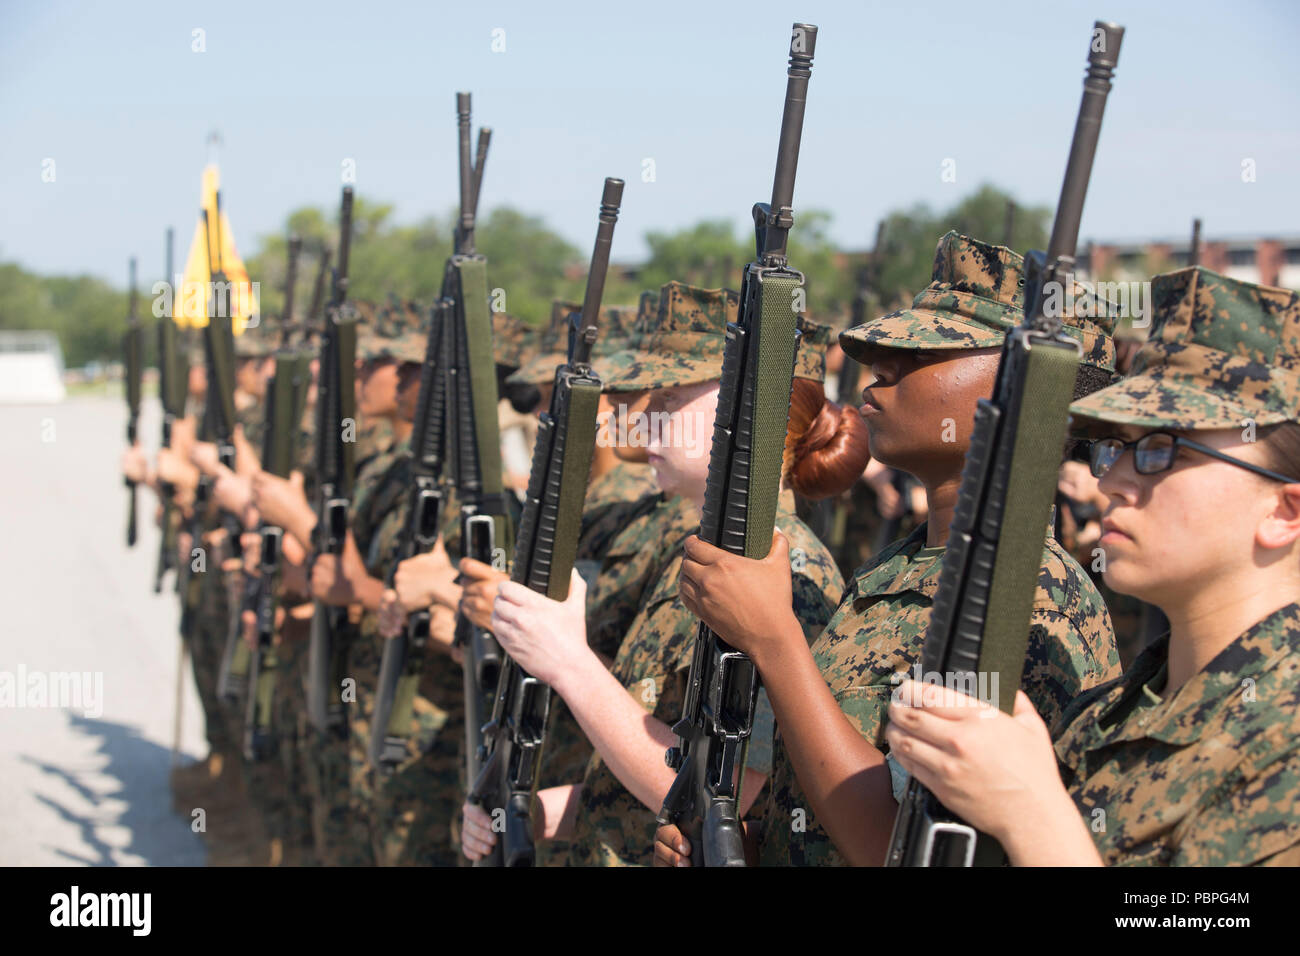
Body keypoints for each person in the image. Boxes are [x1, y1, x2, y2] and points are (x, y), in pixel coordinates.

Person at [656, 232, 1122, 866]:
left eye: (934, 346)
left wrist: (775, 640)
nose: (883, 363)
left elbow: (911, 852)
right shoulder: (898, 568)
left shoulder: (1036, 602)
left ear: (1028, 389)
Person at [884, 266, 1300, 866]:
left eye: (1162, 450)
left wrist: (1031, 812)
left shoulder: (1283, 738)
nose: (1115, 480)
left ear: (1284, 511)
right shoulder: (1099, 719)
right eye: (1119, 446)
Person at [461, 281, 863, 866]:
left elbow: (741, 798)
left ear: (748, 416)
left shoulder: (789, 571)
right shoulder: (700, 550)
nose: (645, 417)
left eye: (671, 398)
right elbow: (663, 759)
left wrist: (569, 663)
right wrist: (546, 810)